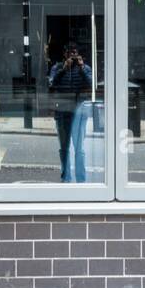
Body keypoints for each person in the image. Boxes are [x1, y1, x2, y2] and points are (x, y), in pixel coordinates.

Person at [48, 42, 92, 183]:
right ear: (64, 54)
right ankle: (66, 178)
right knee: (64, 148)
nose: (72, 56)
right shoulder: (57, 68)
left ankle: (81, 180)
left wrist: (82, 68)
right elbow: (51, 84)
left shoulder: (84, 68)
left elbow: (91, 84)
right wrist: (63, 70)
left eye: (74, 53)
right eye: (69, 53)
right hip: (62, 112)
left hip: (79, 113)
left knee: (79, 149)